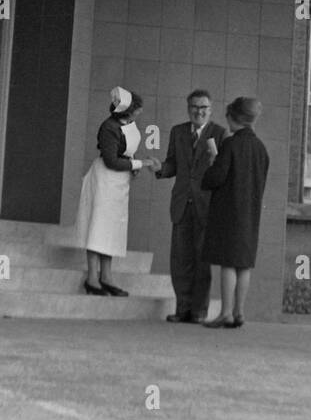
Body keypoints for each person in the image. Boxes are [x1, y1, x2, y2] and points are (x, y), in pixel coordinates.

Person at [74, 86, 159, 296]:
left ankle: (107, 276)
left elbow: (125, 155)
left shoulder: (128, 124)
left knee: (111, 231)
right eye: (137, 109)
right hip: (104, 180)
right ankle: (92, 277)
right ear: (128, 109)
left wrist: (133, 166)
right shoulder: (109, 127)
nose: (139, 112)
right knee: (98, 228)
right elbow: (111, 161)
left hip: (119, 184)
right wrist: (139, 164)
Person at [155, 88, 224, 323]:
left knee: (202, 263)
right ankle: (182, 309)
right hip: (182, 204)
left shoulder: (220, 133)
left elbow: (222, 172)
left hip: (206, 207)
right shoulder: (178, 132)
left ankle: (199, 312)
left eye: (204, 107)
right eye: (195, 107)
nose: (199, 111)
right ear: (188, 109)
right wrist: (160, 169)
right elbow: (173, 163)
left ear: (210, 110)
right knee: (181, 260)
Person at [201, 96, 269, 328]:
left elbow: (216, 178)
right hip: (251, 214)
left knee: (228, 263)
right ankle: (239, 312)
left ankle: (226, 313)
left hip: (229, 212)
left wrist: (213, 162)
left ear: (234, 117)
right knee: (243, 264)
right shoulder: (261, 149)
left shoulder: (230, 144)